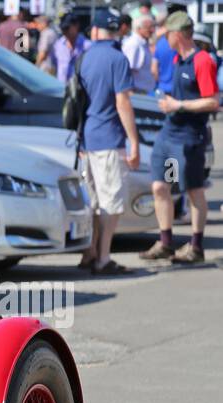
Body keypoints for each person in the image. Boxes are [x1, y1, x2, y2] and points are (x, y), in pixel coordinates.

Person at [140, 11, 219, 263]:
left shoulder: (202, 61)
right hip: (169, 133)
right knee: (160, 186)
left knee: (193, 190)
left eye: (167, 36)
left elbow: (213, 102)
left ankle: (196, 246)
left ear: (178, 35)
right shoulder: (176, 59)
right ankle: (165, 242)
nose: (164, 40)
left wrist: (179, 105)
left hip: (189, 136)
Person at [77, 9, 141, 275]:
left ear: (95, 30)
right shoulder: (117, 58)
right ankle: (104, 258)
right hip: (109, 137)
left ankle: (89, 252)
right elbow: (123, 102)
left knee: (92, 200)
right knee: (111, 201)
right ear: (117, 30)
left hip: (85, 138)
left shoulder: (83, 57)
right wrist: (134, 142)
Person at [152, 4, 187, 92]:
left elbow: (154, 70)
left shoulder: (160, 43)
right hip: (180, 91)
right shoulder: (185, 44)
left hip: (162, 88)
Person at [54, 14, 91, 83]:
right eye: (63, 29)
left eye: (67, 28)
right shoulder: (58, 45)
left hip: (81, 88)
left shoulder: (87, 46)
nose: (65, 32)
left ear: (76, 25)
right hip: (62, 87)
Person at [124, 14, 156, 92]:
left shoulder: (143, 43)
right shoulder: (134, 44)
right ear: (138, 29)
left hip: (144, 91)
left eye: (153, 27)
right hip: (137, 92)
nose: (152, 30)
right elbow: (128, 71)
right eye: (148, 27)